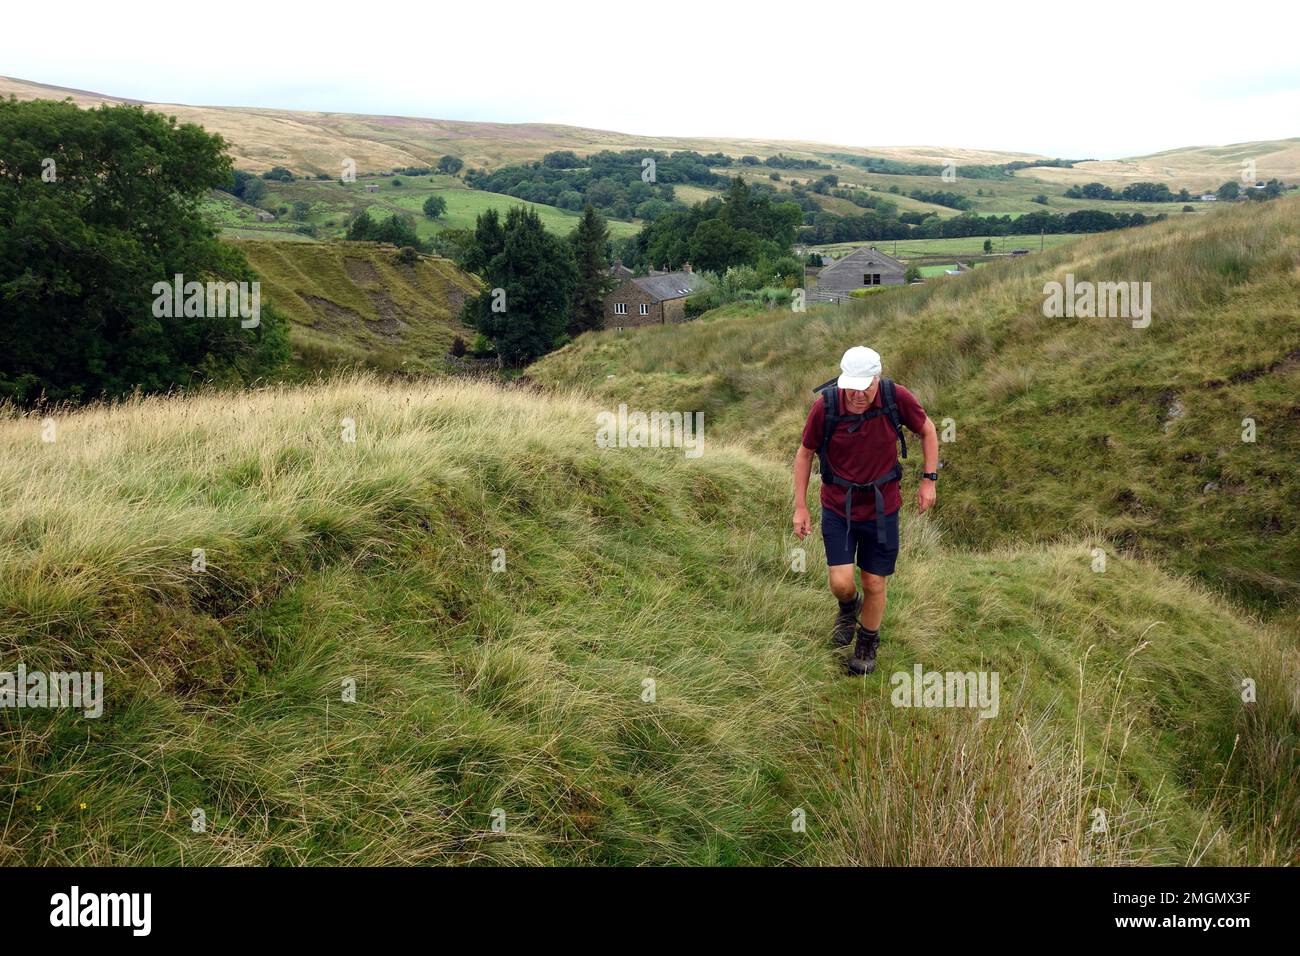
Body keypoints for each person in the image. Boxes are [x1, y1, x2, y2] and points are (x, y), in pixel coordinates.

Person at [792, 346, 939, 675]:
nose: (858, 396)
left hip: (881, 508)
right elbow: (805, 454)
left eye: (865, 388)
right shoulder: (826, 407)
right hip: (837, 507)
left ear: (878, 379)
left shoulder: (896, 398)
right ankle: (848, 607)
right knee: (841, 582)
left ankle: (867, 640)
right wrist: (801, 507)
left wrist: (929, 480)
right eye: (851, 388)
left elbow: (928, 430)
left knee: (874, 582)